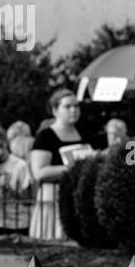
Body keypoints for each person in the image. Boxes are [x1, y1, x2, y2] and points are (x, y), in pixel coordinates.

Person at [28, 88, 89, 239]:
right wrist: (72, 168)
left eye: (76, 106)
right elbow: (39, 172)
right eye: (68, 106)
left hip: (77, 195)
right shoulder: (45, 137)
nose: (74, 110)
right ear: (55, 110)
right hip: (53, 197)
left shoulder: (85, 133)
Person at [0, 126, 32, 233]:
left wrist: (9, 187)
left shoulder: (20, 165)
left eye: (1, 146)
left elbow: (28, 198)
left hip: (18, 222)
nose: (0, 152)